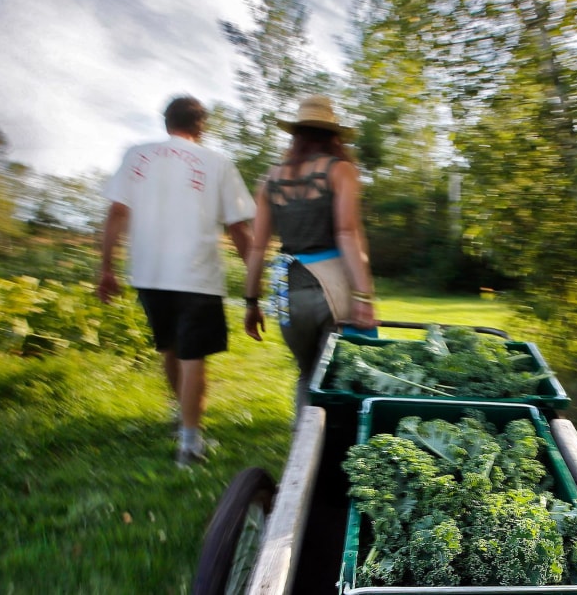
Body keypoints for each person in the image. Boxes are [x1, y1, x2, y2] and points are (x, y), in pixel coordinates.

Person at [97, 95, 256, 466]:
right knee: (192, 355)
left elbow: (116, 213)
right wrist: (254, 281)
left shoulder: (136, 155)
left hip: (149, 272)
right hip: (195, 273)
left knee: (168, 347)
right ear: (201, 126)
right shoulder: (216, 162)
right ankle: (190, 444)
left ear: (166, 122)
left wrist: (106, 268)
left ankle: (180, 417)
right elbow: (238, 228)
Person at [243, 95, 377, 412]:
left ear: (296, 136)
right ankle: (343, 454)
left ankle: (303, 455)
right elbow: (347, 233)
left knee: (308, 377)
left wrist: (251, 302)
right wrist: (364, 296)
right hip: (334, 288)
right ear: (334, 136)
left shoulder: (269, 181)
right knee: (346, 380)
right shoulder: (340, 170)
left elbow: (258, 247)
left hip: (289, 292)